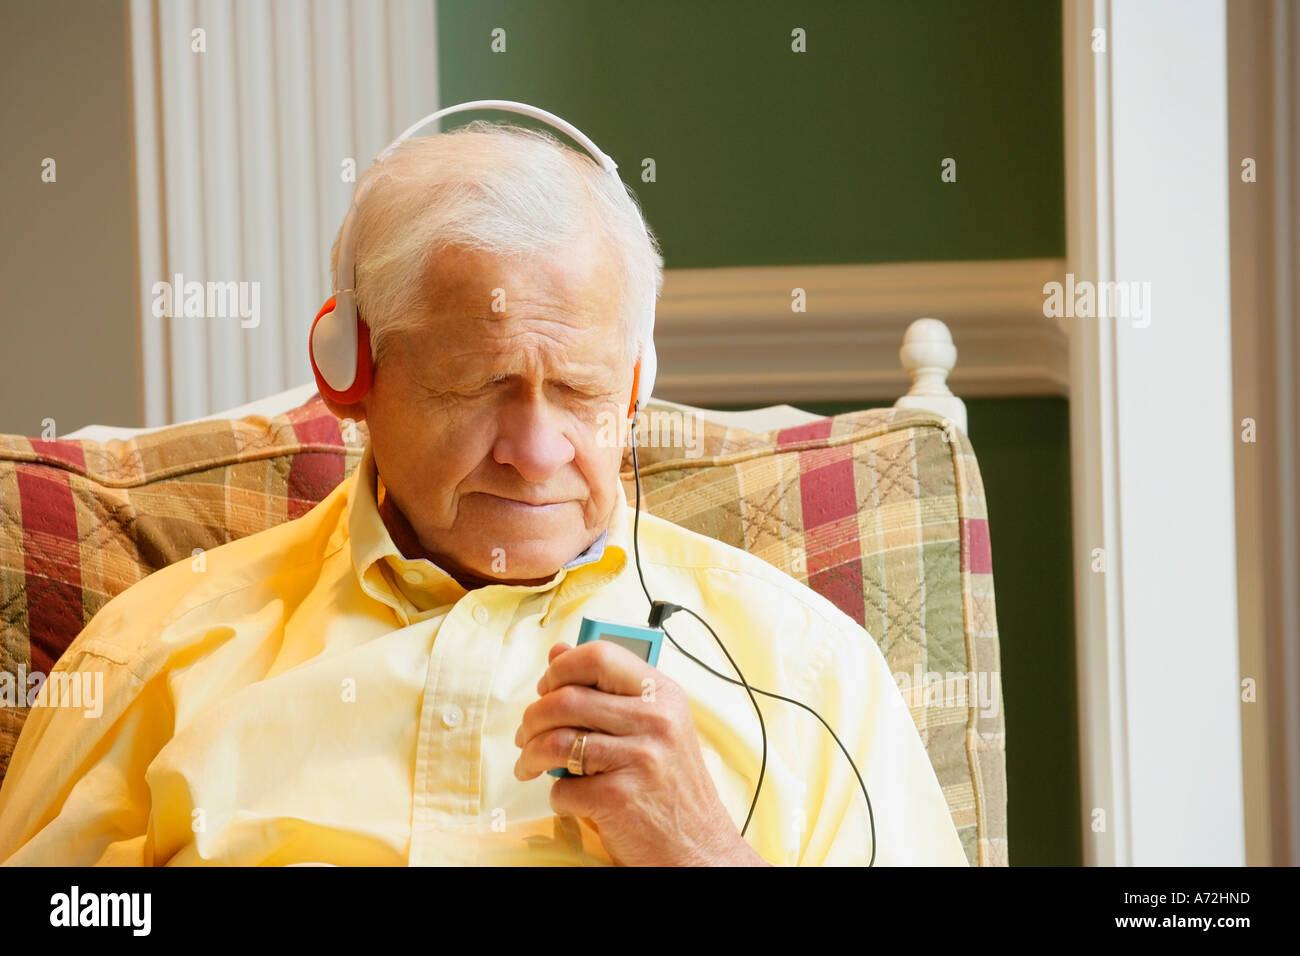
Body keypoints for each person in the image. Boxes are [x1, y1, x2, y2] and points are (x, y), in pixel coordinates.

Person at [0, 121, 968, 866]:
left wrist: (705, 851)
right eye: (476, 388)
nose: (537, 450)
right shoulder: (154, 656)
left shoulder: (808, 674)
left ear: (635, 383)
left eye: (583, 392)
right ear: (353, 372)